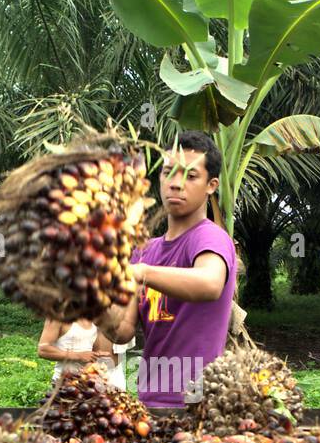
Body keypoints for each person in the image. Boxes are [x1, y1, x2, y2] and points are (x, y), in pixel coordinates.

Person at [97, 130, 237, 408]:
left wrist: (142, 272)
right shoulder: (144, 250)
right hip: (149, 400)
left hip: (198, 404)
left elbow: (209, 284)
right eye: (168, 172)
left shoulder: (209, 238)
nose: (176, 184)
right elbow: (122, 331)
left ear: (211, 185)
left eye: (190, 176)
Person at [37, 318, 133, 389]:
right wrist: (79, 355)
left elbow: (88, 349)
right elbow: (43, 350)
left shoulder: (93, 318)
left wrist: (96, 355)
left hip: (87, 386)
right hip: (64, 385)